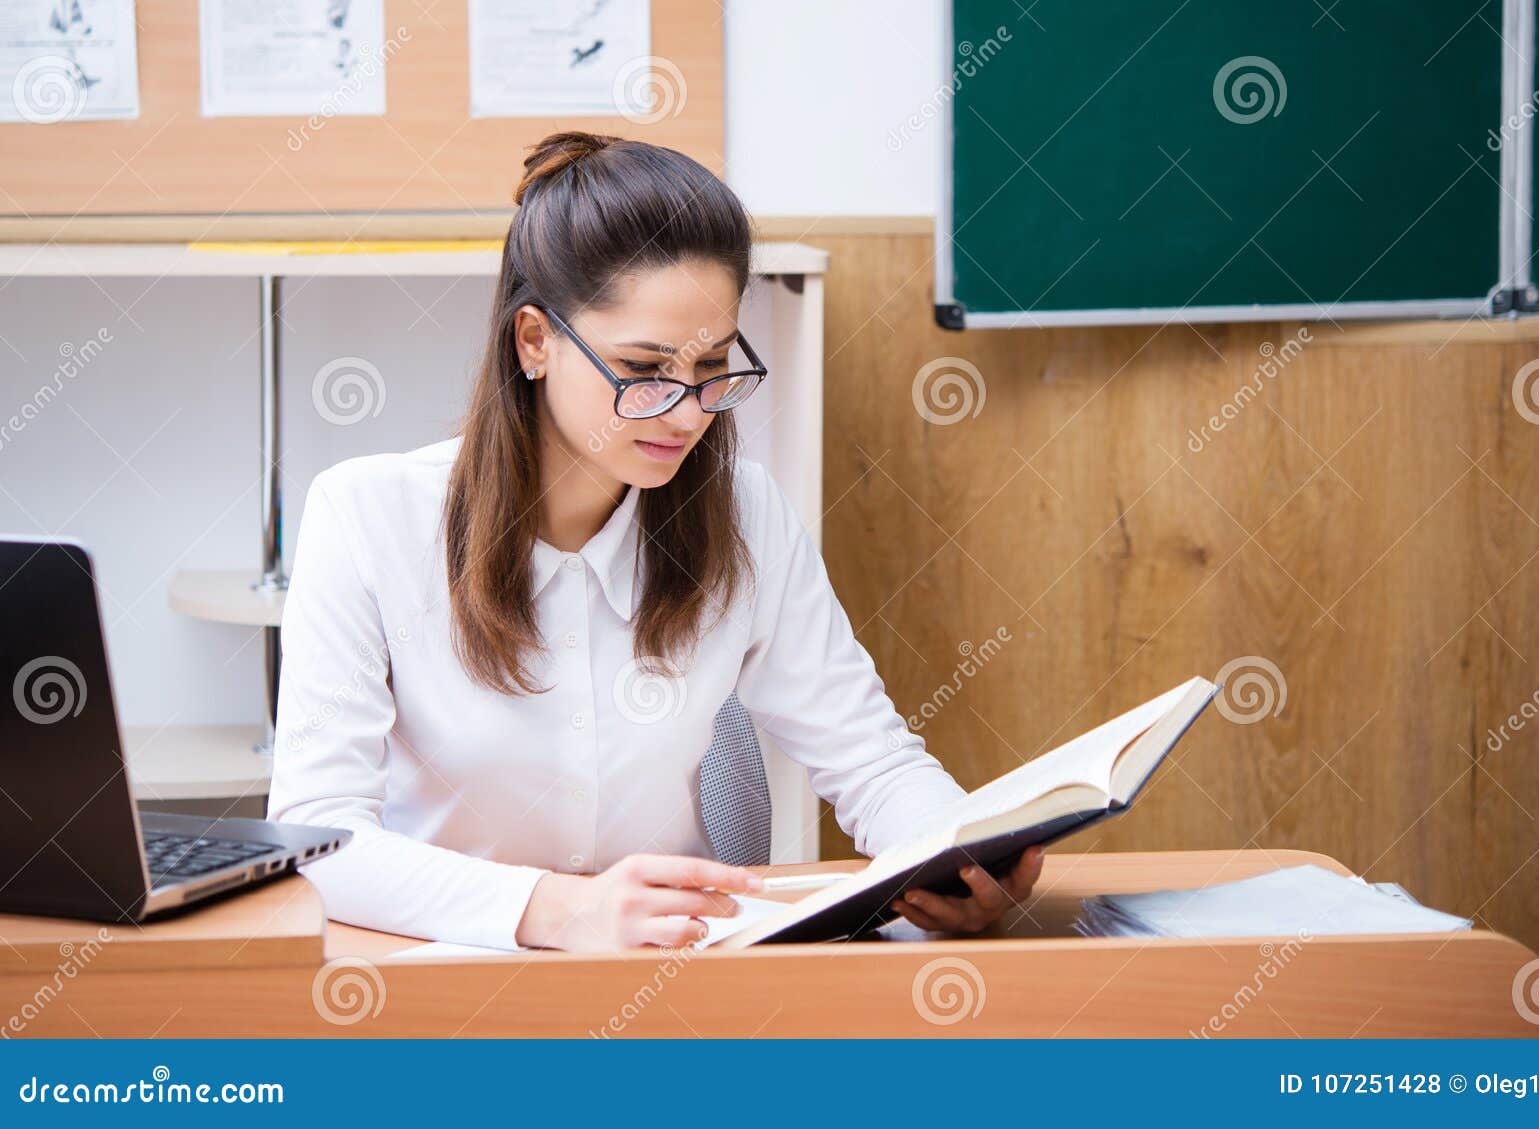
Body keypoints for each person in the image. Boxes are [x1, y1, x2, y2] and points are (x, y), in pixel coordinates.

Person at [267, 130, 1043, 952]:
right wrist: (562, 910)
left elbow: (872, 761)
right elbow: (319, 838)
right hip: (455, 981)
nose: (687, 412)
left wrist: (951, 853)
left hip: (684, 980)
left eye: (714, 365)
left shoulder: (744, 513)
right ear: (535, 341)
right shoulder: (368, 517)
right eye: (643, 370)